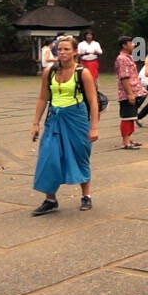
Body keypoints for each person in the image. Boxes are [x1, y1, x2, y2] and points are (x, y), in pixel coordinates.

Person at [30, 36, 100, 216]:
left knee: (80, 155)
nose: (62, 52)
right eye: (59, 49)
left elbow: (93, 101)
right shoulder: (49, 72)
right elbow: (42, 98)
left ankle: (86, 196)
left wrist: (94, 127)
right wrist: (35, 123)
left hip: (76, 118)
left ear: (75, 52)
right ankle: (50, 199)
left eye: (66, 49)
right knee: (48, 156)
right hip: (55, 118)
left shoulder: (82, 73)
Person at [116, 35, 148, 150]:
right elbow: (124, 78)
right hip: (127, 93)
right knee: (127, 117)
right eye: (131, 43)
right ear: (124, 45)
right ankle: (125, 142)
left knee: (132, 116)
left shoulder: (128, 57)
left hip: (134, 91)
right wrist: (130, 93)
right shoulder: (122, 59)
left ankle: (129, 139)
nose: (134, 45)